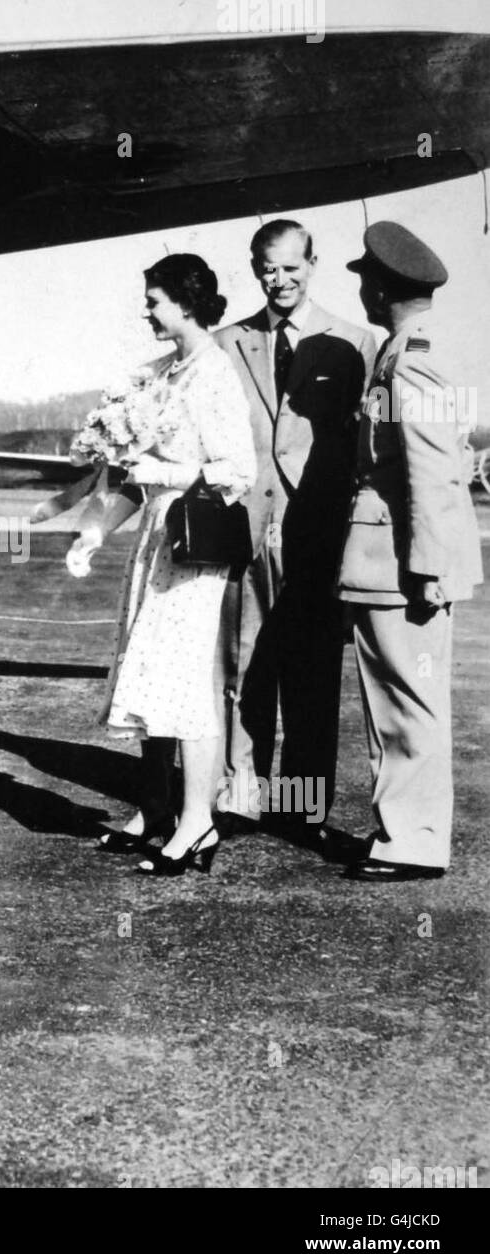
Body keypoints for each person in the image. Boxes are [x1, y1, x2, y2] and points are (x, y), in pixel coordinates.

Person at [214, 219, 376, 854]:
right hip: (246, 531)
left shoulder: (355, 343)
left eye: (290, 267)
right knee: (243, 663)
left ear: (314, 263)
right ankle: (238, 795)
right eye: (267, 269)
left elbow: (360, 448)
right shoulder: (230, 341)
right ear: (255, 270)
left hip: (317, 535)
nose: (279, 280)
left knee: (310, 670)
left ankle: (301, 805)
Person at [96, 254, 255, 875]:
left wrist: (163, 472)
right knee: (151, 675)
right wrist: (96, 532)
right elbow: (134, 483)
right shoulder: (162, 372)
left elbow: (235, 472)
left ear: (187, 303)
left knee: (184, 684)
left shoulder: (214, 373)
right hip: (155, 543)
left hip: (194, 548)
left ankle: (198, 824)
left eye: (156, 300)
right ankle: (155, 808)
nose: (148, 311)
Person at [339, 222, 482, 881]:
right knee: (397, 701)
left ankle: (413, 841)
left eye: (364, 280)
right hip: (390, 559)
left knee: (407, 701)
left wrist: (427, 566)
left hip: (397, 562)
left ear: (379, 286)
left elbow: (429, 469)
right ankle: (401, 832)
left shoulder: (409, 359)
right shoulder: (404, 352)